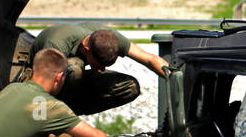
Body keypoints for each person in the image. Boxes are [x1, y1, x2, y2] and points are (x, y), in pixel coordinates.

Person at [32, 22, 169, 115]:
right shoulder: (57, 44)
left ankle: (69, 116)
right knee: (75, 68)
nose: (102, 69)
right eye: (101, 64)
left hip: (67, 85)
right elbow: (41, 86)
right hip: (37, 82)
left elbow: (149, 59)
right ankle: (59, 119)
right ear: (86, 50)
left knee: (129, 87)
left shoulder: (109, 39)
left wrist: (175, 76)